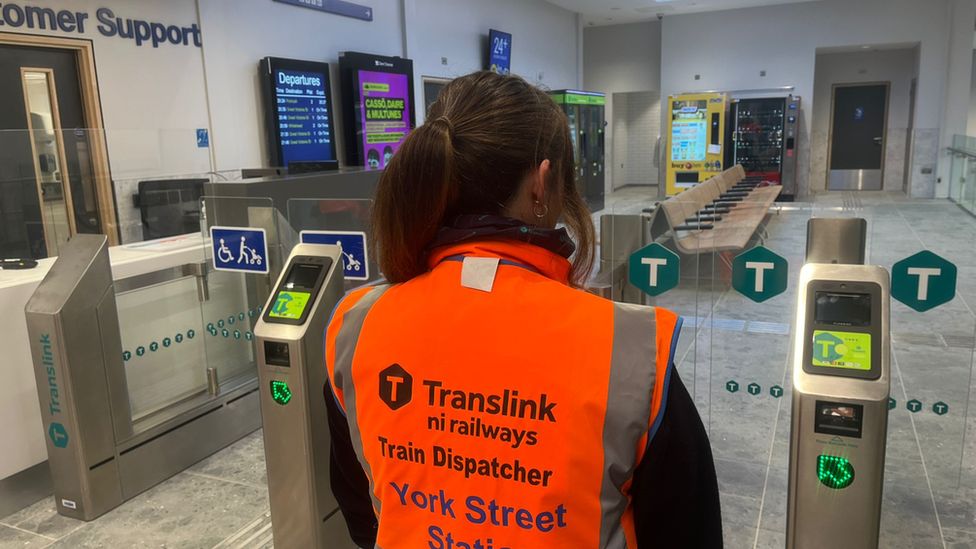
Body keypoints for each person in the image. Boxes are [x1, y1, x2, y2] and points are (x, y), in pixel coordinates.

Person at [324, 71, 722, 549]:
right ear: (542, 183)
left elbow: (361, 509)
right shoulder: (634, 349)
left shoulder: (357, 324)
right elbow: (688, 532)